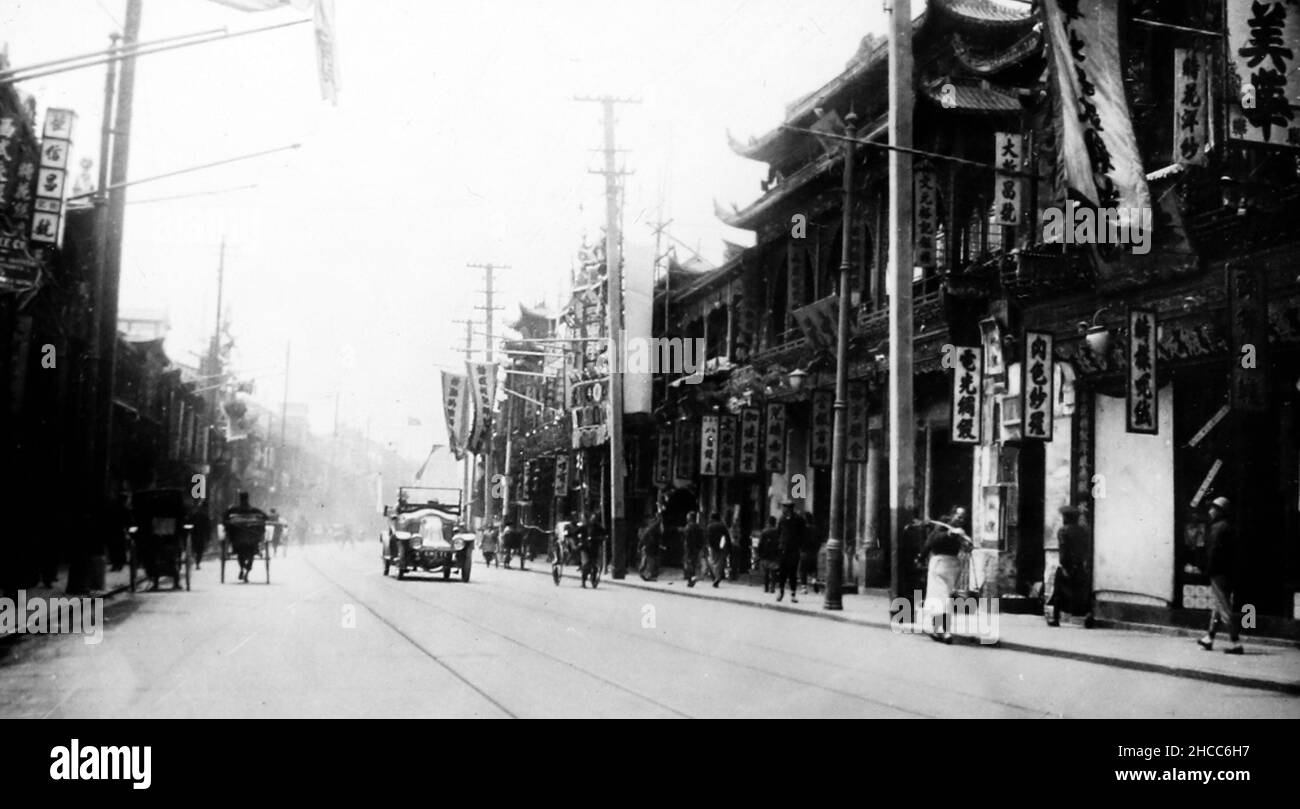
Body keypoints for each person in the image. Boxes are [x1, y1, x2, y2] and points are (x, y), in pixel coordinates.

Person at [1198, 497, 1243, 654]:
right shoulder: (1228, 527)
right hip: (1227, 572)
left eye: (1213, 508)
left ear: (1219, 511)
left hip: (1218, 572)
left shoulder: (1218, 528)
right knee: (1218, 605)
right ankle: (1209, 637)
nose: (1210, 511)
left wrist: (1207, 570)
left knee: (1223, 607)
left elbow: (1213, 553)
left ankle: (1235, 643)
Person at [920, 512, 972, 643]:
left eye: (963, 518)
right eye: (959, 516)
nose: (960, 520)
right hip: (939, 564)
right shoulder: (943, 526)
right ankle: (943, 630)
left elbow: (965, 546)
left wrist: (967, 545)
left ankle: (937, 628)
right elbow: (933, 540)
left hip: (952, 566)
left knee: (943, 597)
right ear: (953, 515)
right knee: (942, 597)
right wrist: (921, 556)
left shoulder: (960, 532)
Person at [1046, 504, 1093, 628]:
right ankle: (1088, 615)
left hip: (1067, 566)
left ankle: (1055, 619)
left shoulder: (1063, 531)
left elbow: (1063, 550)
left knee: (1058, 593)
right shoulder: (1083, 531)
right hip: (1080, 565)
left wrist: (1064, 566)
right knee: (1081, 592)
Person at [223, 492, 269, 583]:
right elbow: (265, 517)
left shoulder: (234, 510)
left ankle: (242, 568)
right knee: (251, 552)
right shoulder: (254, 510)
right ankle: (246, 570)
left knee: (239, 553)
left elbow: (225, 517)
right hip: (252, 538)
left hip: (238, 539)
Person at [776, 501, 804, 602]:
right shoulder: (782, 520)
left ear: (789, 509)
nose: (783, 510)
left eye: (785, 508)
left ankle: (793, 594)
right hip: (783, 549)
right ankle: (781, 592)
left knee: (793, 572)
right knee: (782, 572)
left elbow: (802, 533)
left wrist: (799, 546)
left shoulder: (798, 519)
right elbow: (778, 532)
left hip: (794, 550)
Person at [705, 512, 729, 588]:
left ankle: (716, 577)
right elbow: (727, 536)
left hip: (712, 547)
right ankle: (718, 577)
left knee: (712, 561)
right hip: (721, 546)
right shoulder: (722, 526)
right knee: (720, 562)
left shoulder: (709, 526)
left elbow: (707, 537)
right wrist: (729, 547)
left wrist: (707, 545)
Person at [757, 516, 781, 593]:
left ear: (768, 522)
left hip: (765, 554)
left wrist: (759, 553)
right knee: (773, 571)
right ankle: (772, 587)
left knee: (766, 572)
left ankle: (766, 587)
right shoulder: (778, 531)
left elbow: (760, 544)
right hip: (775, 554)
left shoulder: (764, 531)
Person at [638, 513, 664, 581]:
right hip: (650, 547)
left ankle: (648, 574)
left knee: (650, 561)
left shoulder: (651, 528)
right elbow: (643, 538)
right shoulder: (651, 528)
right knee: (650, 562)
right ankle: (647, 575)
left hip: (651, 547)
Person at [582, 515, 606, 588]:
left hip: (595, 548)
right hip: (587, 548)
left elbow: (604, 533)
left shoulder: (598, 527)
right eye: (592, 519)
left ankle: (593, 578)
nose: (593, 521)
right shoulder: (586, 526)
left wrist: (603, 537)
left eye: (595, 519)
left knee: (594, 565)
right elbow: (578, 531)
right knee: (587, 565)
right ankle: (584, 580)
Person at [682, 511, 705, 587]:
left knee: (689, 564)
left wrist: (687, 548)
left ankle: (690, 579)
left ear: (690, 518)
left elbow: (687, 540)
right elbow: (702, 539)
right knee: (694, 564)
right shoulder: (699, 527)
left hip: (690, 549)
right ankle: (692, 578)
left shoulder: (688, 527)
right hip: (697, 549)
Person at [187, 500, 211, 570]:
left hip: (198, 535)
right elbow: (208, 528)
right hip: (197, 535)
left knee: (198, 550)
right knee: (198, 550)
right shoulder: (199, 516)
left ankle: (197, 562)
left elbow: (208, 528)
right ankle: (197, 562)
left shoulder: (198, 516)